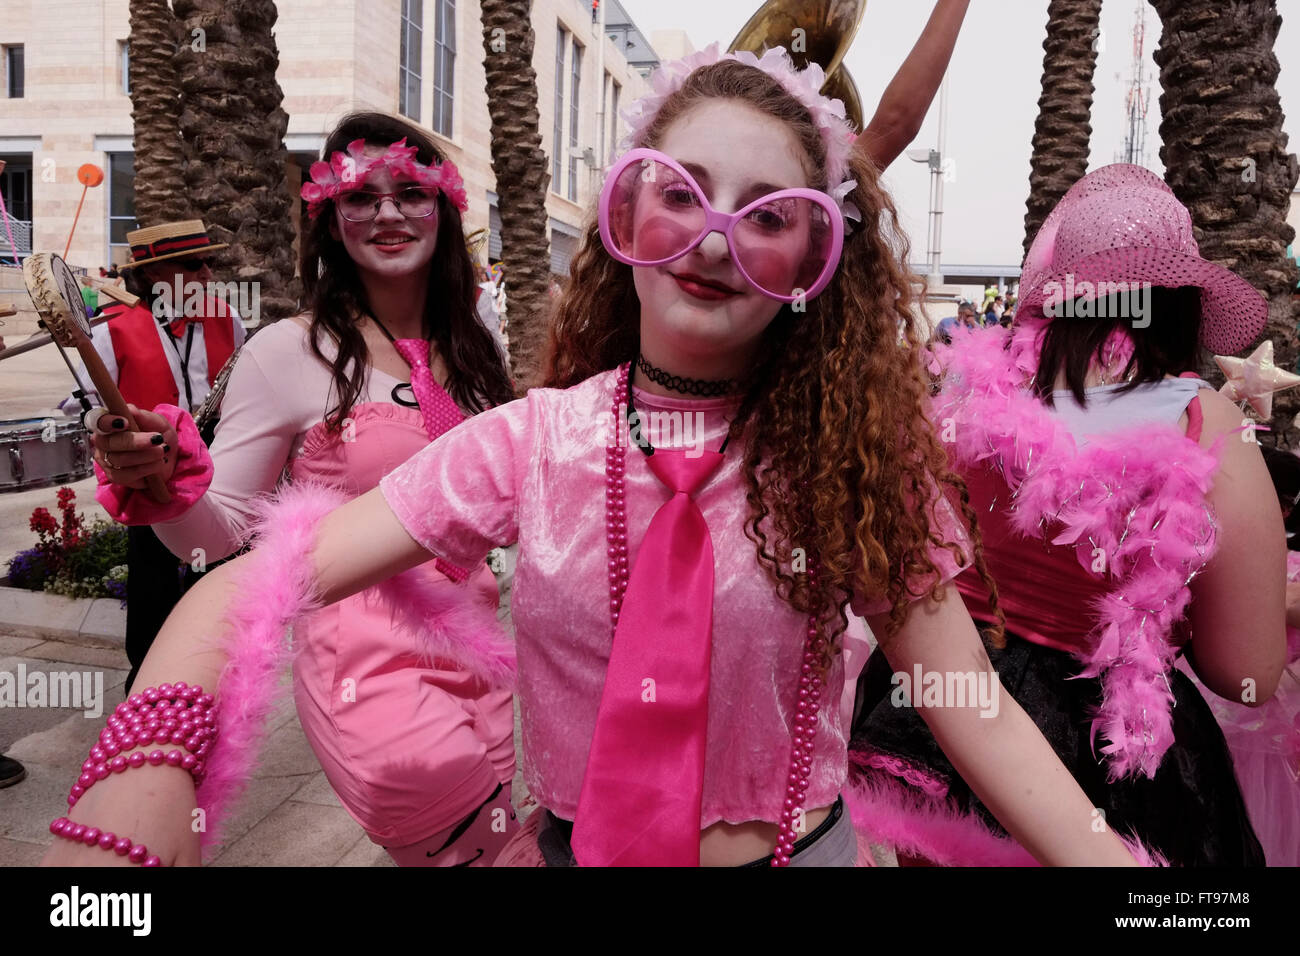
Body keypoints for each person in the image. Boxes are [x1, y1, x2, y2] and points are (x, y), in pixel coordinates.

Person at [44, 49, 1149, 869]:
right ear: (626, 214)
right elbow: (263, 572)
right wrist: (146, 758)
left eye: (768, 214)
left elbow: (971, 700)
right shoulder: (532, 442)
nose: (716, 236)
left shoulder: (855, 467)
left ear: (818, 259)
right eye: (682, 191)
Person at [74, 113, 520, 866]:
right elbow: (218, 540)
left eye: (410, 190)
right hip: (368, 678)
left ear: (443, 207)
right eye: (360, 197)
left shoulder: (478, 345)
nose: (386, 212)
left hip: (483, 659)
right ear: (330, 219)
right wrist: (164, 481)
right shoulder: (287, 352)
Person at [848, 164, 1286, 866]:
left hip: (925, 711)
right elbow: (1248, 673)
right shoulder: (1205, 424)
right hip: (1102, 754)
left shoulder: (965, 394)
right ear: (1183, 305)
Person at [59, 220, 245, 693]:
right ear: (154, 274)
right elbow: (76, 405)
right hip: (149, 475)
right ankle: (146, 689)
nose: (206, 274)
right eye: (192, 265)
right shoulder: (111, 331)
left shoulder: (229, 318)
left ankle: (210, 682)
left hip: (218, 472)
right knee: (153, 584)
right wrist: (102, 423)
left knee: (217, 581)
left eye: (209, 262)